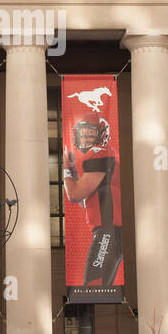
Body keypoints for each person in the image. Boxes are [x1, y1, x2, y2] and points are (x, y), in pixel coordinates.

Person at [63, 115, 123, 287]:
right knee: (98, 286)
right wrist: (73, 170)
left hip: (108, 232)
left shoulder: (101, 153)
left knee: (93, 286)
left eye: (91, 133)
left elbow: (74, 195)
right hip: (111, 232)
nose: (85, 137)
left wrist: (65, 170)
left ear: (102, 134)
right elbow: (84, 199)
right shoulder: (106, 156)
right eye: (82, 133)